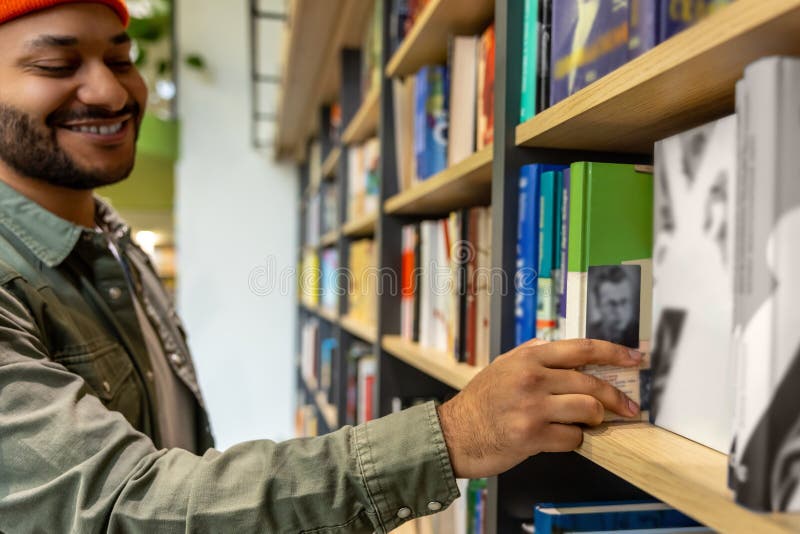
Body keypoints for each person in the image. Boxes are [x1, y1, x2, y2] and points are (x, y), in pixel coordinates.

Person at [0, 1, 643, 532]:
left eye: (120, 57)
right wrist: (456, 434)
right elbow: (122, 506)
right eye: (56, 64)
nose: (111, 89)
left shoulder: (118, 247)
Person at [587, 265, 640, 348]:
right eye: (612, 304)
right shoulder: (589, 335)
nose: (619, 311)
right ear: (598, 305)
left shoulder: (640, 334)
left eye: (624, 302)